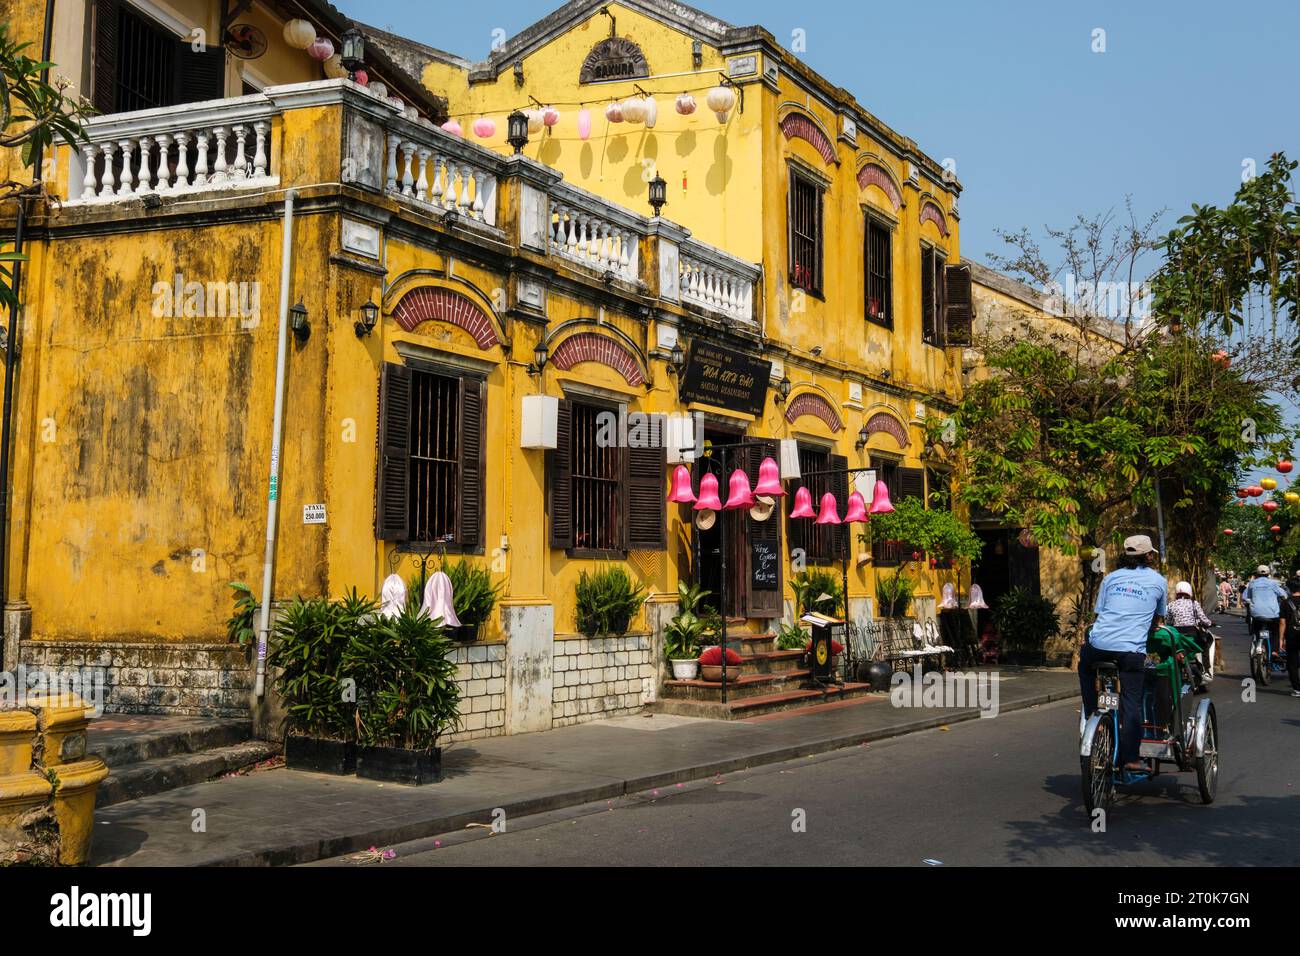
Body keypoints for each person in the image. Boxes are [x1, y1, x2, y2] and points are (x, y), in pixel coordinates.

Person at [1080, 534, 1167, 773]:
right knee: (1131, 703)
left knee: (1084, 665)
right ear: (1149, 556)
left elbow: (1099, 615)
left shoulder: (1110, 578)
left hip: (1099, 645)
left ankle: (1092, 716)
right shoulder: (1158, 581)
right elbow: (1156, 619)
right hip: (1130, 653)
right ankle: (1131, 758)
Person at [1168, 580, 1214, 687]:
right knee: (1206, 644)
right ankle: (1206, 670)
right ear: (1189, 591)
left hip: (1177, 637)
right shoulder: (1194, 603)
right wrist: (1210, 623)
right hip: (1192, 635)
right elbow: (1203, 619)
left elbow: (1169, 622)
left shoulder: (1171, 605)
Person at [1243, 564, 1288, 664]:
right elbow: (1284, 595)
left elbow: (1247, 597)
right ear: (1268, 574)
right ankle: (1274, 652)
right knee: (1276, 632)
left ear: (1257, 574)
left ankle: (1256, 643)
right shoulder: (1273, 583)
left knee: (1256, 630)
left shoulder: (1252, 584)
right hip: (1272, 615)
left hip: (1256, 615)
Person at [1279, 577, 1300, 698]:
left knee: (1292, 663)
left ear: (1289, 588)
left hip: (1292, 635)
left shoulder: (1285, 603)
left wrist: (1281, 638)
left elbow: (1282, 622)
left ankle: (1297, 689)